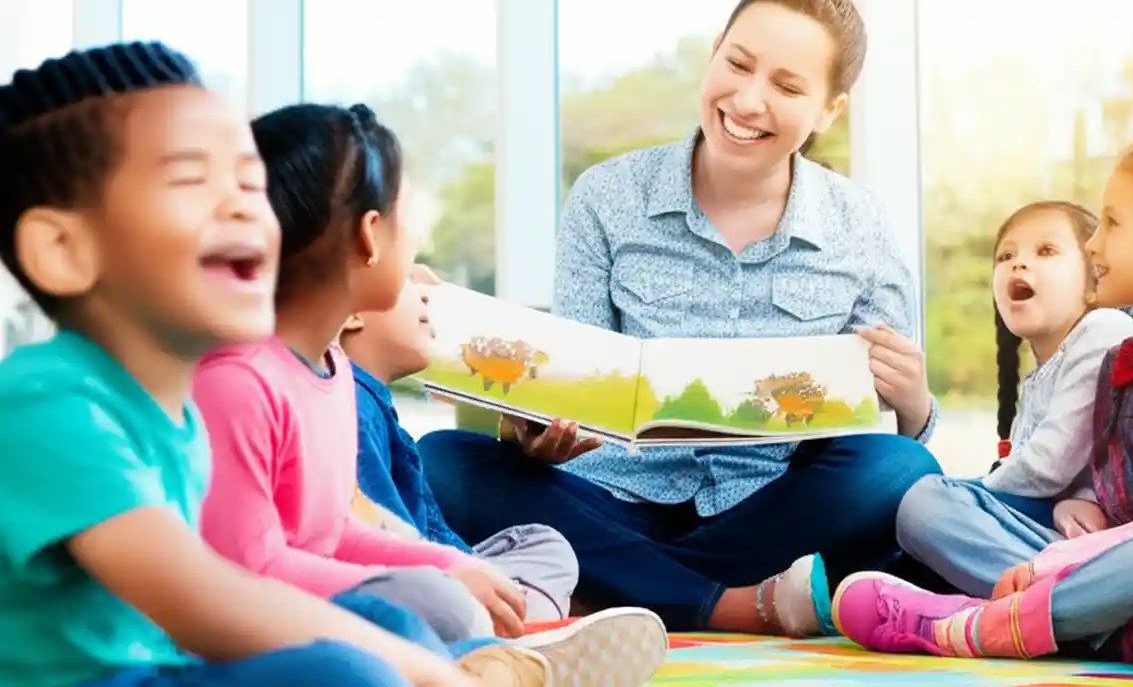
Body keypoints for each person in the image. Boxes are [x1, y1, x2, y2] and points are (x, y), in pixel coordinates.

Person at [421, 0, 942, 638]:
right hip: (611, 498)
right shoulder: (608, 196)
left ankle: (606, 584)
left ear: (829, 110)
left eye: (786, 87)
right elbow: (570, 382)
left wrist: (917, 403)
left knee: (900, 470)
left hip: (769, 511)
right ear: (715, 49)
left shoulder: (859, 224)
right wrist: (538, 434)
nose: (748, 101)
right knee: (442, 460)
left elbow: (887, 430)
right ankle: (731, 604)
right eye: (739, 64)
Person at [0, 41, 481, 687]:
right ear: (63, 249)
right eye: (192, 179)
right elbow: (202, 603)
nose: (246, 206)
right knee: (344, 671)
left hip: (155, 667)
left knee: (377, 626)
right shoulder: (47, 403)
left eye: (250, 182)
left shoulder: (173, 413)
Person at [191, 102, 666, 684]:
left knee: (441, 597)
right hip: (244, 627)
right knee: (418, 609)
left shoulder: (331, 371)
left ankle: (494, 663)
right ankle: (493, 668)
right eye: (407, 220)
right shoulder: (238, 381)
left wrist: (448, 563)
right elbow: (248, 568)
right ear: (370, 235)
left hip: (314, 605)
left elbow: (334, 530)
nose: (421, 242)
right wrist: (427, 583)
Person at [832, 125, 1133, 666]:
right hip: (1130, 588)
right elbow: (1113, 486)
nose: (1094, 244)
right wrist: (1085, 505)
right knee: (924, 505)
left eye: (1113, 223)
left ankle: (980, 627)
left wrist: (1064, 559)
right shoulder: (1122, 359)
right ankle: (1124, 632)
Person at [894, 202, 1133, 596]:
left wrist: (967, 494)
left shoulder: (1106, 329)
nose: (1018, 265)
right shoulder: (1039, 377)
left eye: (1046, 251)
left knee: (924, 504)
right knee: (911, 533)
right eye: (1006, 256)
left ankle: (1093, 601)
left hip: (1109, 540)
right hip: (1052, 535)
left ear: (1095, 283)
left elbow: (1049, 465)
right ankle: (1066, 600)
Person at [340, 265, 580, 622]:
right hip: (410, 577)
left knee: (548, 547)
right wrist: (453, 573)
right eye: (407, 277)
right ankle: (501, 628)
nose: (427, 292)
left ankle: (505, 618)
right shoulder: (353, 409)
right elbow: (383, 542)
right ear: (353, 314)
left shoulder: (372, 402)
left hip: (441, 566)